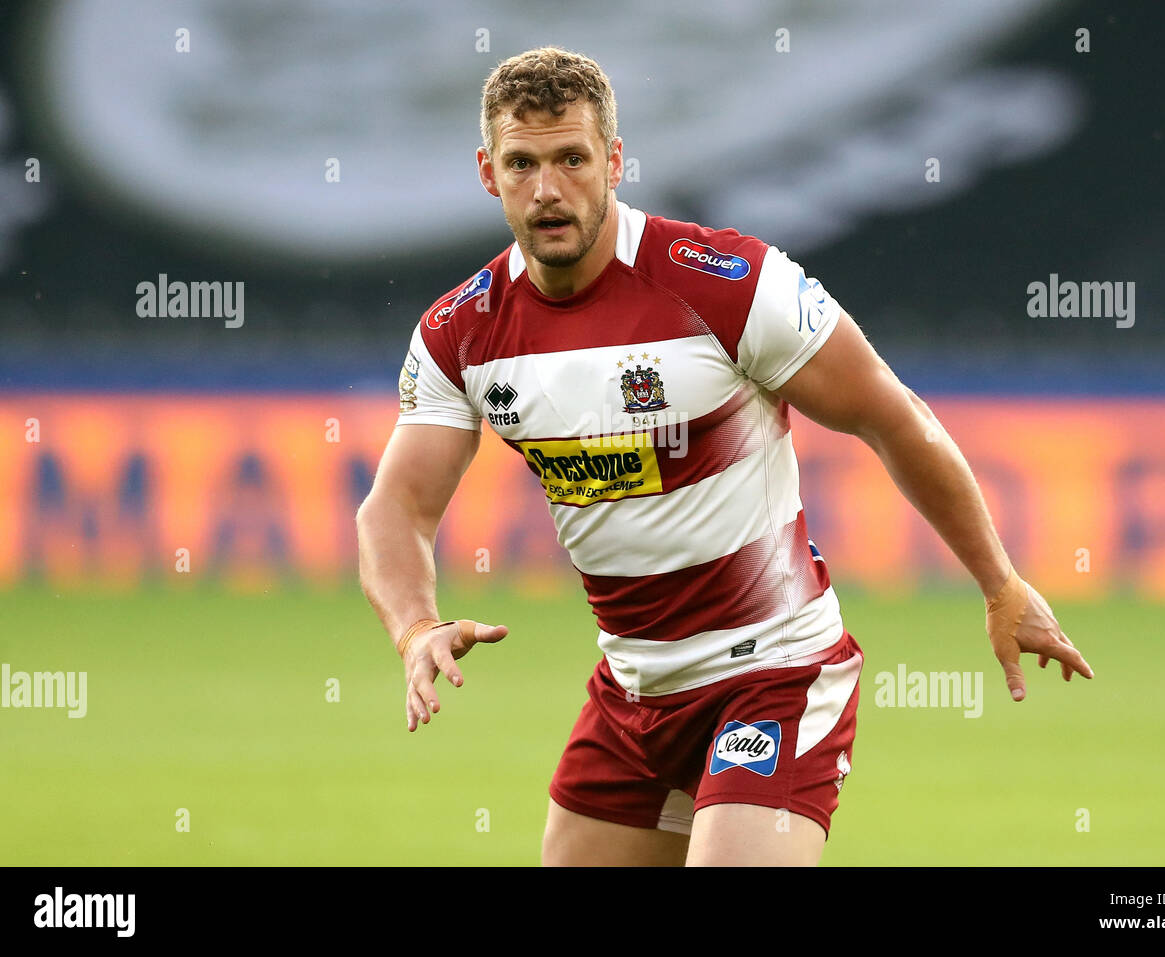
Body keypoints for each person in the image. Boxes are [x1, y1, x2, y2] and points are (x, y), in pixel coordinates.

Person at [356, 46, 1093, 867]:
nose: (548, 189)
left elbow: (893, 416)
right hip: (634, 695)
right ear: (489, 173)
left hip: (774, 674)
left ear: (616, 163)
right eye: (523, 164)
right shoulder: (462, 331)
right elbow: (396, 507)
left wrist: (1001, 582)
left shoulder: (725, 282)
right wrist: (414, 624)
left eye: (573, 159)